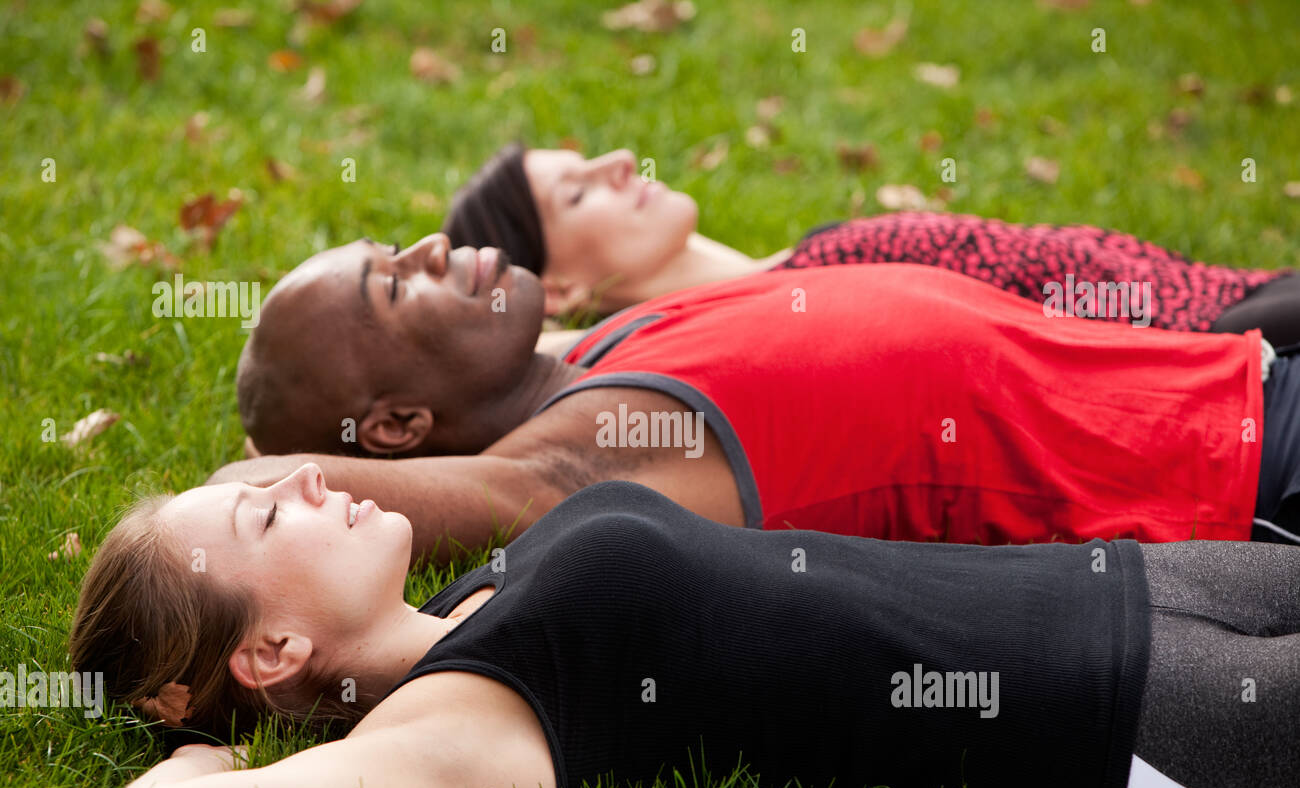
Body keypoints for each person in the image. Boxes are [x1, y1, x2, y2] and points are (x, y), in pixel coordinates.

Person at [75, 468, 1300, 788]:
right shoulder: (462, 722)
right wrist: (194, 748)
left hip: (1138, 584)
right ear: (273, 650)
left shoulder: (464, 609)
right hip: (1134, 721)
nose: (298, 480)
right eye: (261, 521)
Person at [221, 233, 1300, 564]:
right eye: (394, 282)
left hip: (1245, 378)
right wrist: (243, 499)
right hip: (1248, 477)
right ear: (401, 426)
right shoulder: (590, 450)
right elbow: (255, 481)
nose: (428, 243)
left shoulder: (599, 347)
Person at [442, 142, 1299, 343]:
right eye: (578, 190)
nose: (621, 160)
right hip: (1222, 350)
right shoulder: (761, 319)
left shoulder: (797, 266)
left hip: (1235, 291)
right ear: (553, 289)